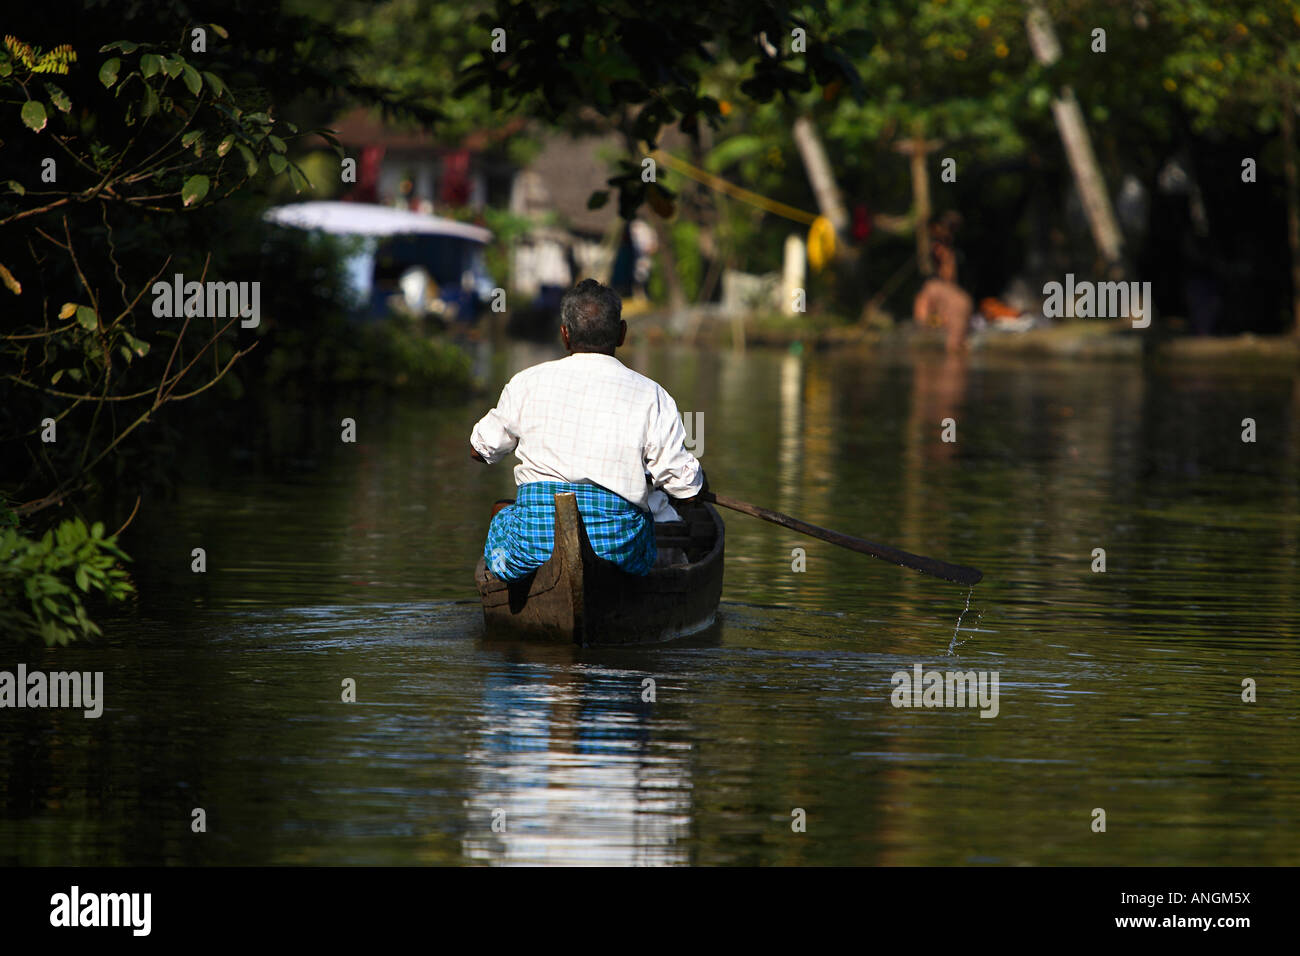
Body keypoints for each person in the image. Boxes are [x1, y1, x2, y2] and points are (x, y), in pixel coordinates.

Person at [469, 279, 705, 581]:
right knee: (652, 527)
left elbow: (479, 449)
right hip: (616, 549)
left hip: (535, 546)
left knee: (501, 513)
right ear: (622, 333)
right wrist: (697, 482)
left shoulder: (525, 383)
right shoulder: (652, 395)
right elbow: (684, 487)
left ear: (564, 335)